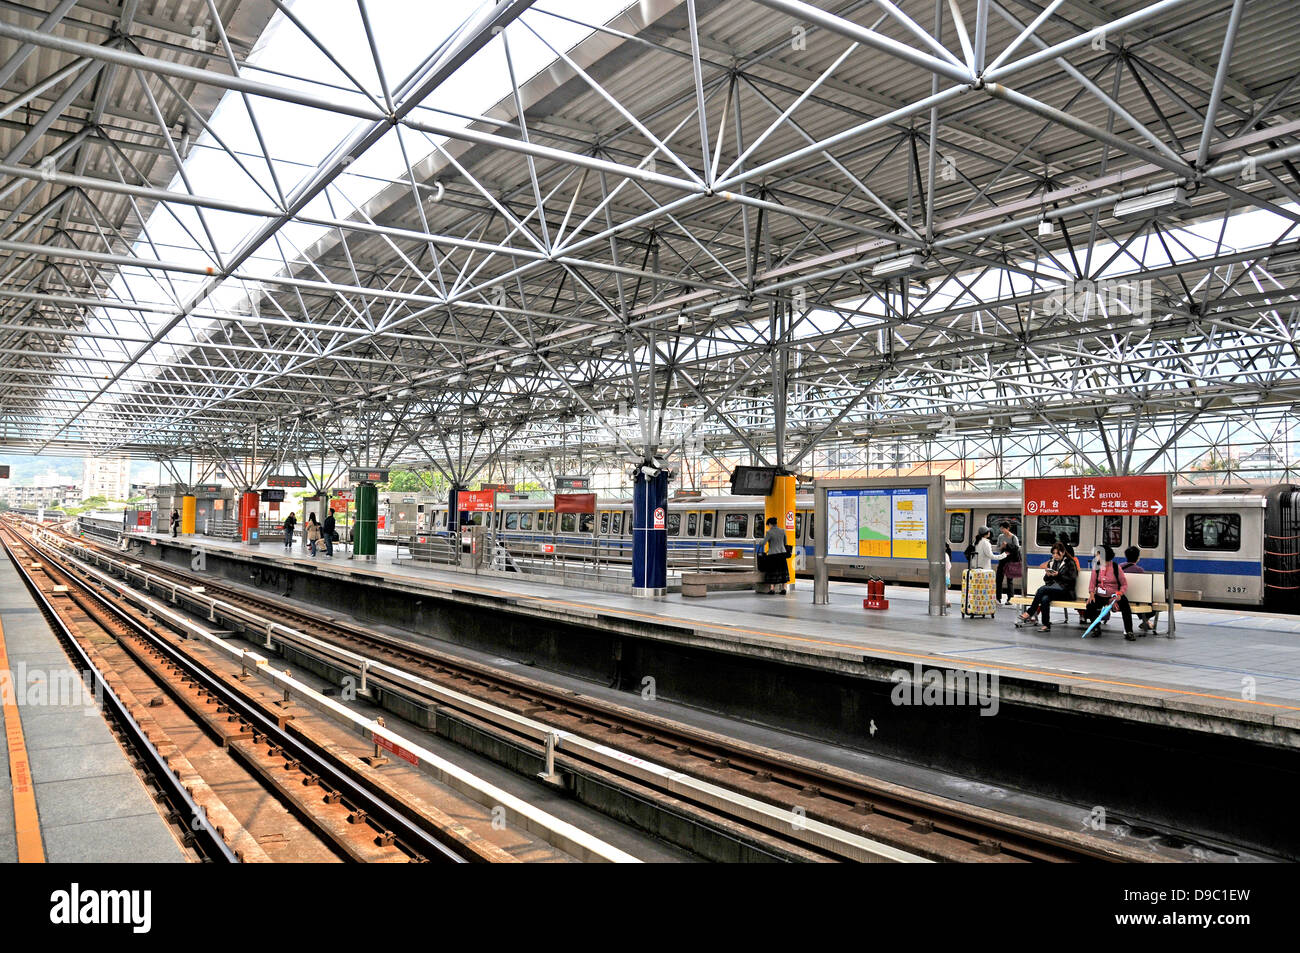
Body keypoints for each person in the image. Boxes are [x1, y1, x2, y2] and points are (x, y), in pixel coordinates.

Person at [1019, 543, 1078, 632]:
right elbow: (1046, 580)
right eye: (1053, 553)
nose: (1054, 556)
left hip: (1067, 591)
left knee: (1042, 589)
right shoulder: (1053, 562)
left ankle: (1030, 612)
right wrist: (1048, 575)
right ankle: (1046, 625)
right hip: (1055, 590)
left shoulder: (1070, 562)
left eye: (1056, 553)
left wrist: (1058, 575)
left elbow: (1072, 579)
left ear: (1062, 552)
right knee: (1045, 598)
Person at [1085, 545, 1136, 640]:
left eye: (1098, 555)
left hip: (1114, 595)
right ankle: (1096, 628)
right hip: (1100, 595)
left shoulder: (1116, 568)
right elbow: (1092, 583)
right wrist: (1091, 594)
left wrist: (1120, 594)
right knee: (1090, 605)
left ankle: (1129, 631)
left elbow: (1124, 584)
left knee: (1125, 606)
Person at [1120, 546, 1156, 634]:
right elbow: (1144, 589)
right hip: (1135, 600)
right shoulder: (1139, 570)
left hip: (1121, 598)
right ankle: (1146, 621)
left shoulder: (1119, 567)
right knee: (1151, 606)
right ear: (1138, 558)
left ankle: (1146, 622)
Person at [759, 516, 789, 595]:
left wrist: (760, 542)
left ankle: (772, 589)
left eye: (768, 524)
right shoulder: (783, 531)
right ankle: (784, 589)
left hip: (773, 555)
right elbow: (785, 542)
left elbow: (763, 543)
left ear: (770, 524)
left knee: (772, 571)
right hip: (782, 554)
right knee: (783, 572)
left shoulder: (769, 532)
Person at [994, 520, 1020, 606]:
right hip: (1002, 560)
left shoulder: (1013, 537)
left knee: (1010, 580)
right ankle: (998, 598)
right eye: (1001, 529)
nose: (1002, 530)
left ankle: (1010, 598)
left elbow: (1017, 548)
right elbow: (997, 548)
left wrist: (1007, 546)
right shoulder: (1000, 537)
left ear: (1008, 528)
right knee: (999, 579)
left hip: (1010, 561)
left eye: (1003, 528)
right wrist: (1002, 546)